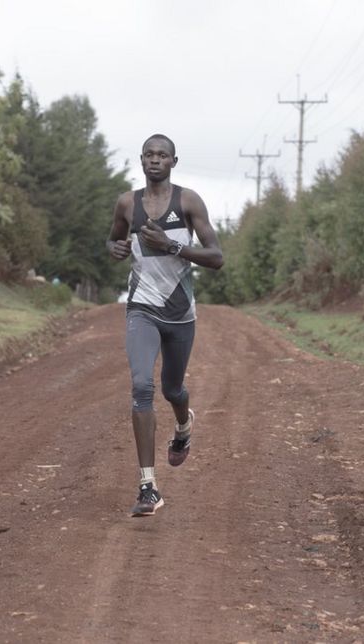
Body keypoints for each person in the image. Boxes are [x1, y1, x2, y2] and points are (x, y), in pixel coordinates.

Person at [107, 134, 223, 516]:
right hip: (142, 308)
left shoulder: (188, 201)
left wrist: (174, 246)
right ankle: (147, 486)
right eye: (149, 155)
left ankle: (184, 427)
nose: (155, 160)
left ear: (174, 161)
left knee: (173, 389)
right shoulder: (128, 203)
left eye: (163, 155)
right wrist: (117, 249)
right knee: (142, 386)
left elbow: (216, 257)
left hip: (180, 313)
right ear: (141, 161)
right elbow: (113, 242)